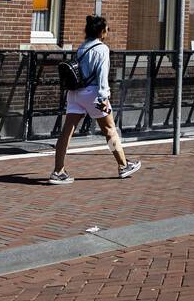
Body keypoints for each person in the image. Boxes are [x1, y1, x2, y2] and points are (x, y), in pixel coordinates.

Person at [49, 15, 141, 184]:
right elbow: (102, 76)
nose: (108, 31)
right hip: (94, 95)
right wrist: (104, 97)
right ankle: (123, 165)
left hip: (75, 94)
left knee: (67, 132)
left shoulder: (82, 47)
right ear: (101, 31)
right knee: (109, 130)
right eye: (107, 28)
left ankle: (58, 171)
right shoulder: (102, 49)